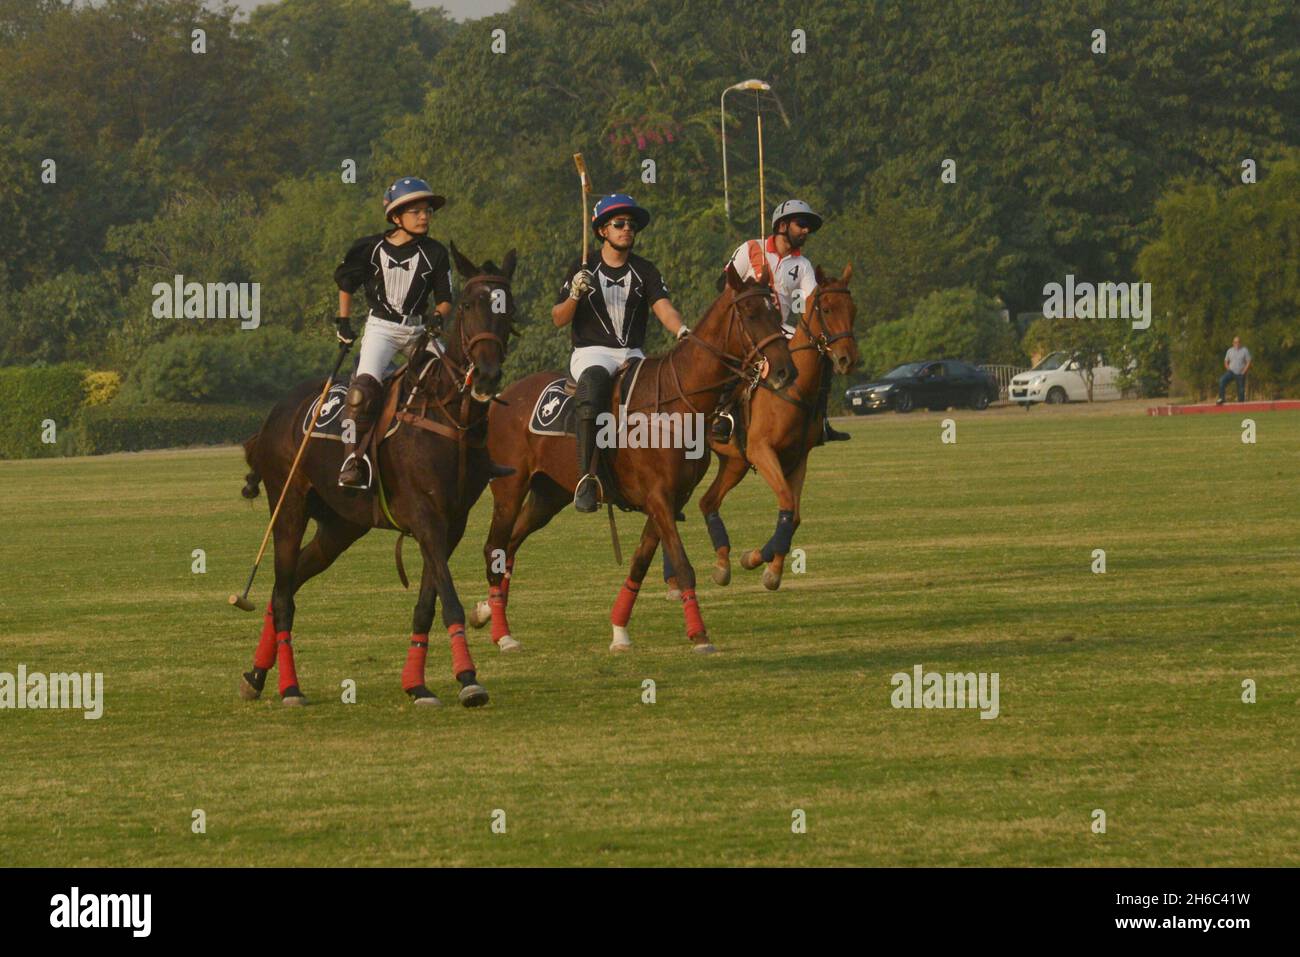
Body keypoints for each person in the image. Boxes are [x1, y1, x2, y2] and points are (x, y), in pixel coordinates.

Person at [552, 193, 689, 512]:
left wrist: (682, 331)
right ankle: (587, 478)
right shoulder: (582, 267)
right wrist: (575, 293)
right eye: (619, 224)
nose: (627, 229)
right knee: (595, 385)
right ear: (602, 230)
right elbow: (559, 318)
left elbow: (664, 308)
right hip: (591, 352)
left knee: (660, 393)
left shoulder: (645, 270)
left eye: (631, 225)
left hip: (633, 353)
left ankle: (660, 479)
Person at [332, 177, 453, 490]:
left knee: (454, 378)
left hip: (418, 330)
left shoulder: (436, 252)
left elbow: (445, 298)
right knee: (361, 391)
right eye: (416, 211)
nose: (424, 216)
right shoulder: (370, 248)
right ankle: (352, 460)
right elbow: (346, 283)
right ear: (396, 217)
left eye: (426, 210)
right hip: (381, 330)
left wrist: (438, 317)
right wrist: (343, 323)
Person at [723, 198, 850, 442]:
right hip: (748, 327)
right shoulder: (751, 249)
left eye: (808, 228)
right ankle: (724, 414)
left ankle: (820, 420)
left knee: (819, 354)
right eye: (801, 224)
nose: (805, 231)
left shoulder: (802, 265)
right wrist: (753, 286)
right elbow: (726, 286)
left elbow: (808, 304)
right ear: (782, 225)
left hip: (779, 328)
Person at [1217, 336, 1252, 405]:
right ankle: (1221, 399)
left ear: (1240, 343)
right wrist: (1228, 369)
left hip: (1240, 373)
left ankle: (1241, 404)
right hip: (1231, 372)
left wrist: (1244, 371)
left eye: (1238, 342)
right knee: (1221, 380)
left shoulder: (1245, 350)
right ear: (1233, 343)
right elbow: (1225, 361)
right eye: (1235, 342)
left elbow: (1249, 361)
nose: (1237, 343)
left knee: (1241, 390)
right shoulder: (1229, 351)